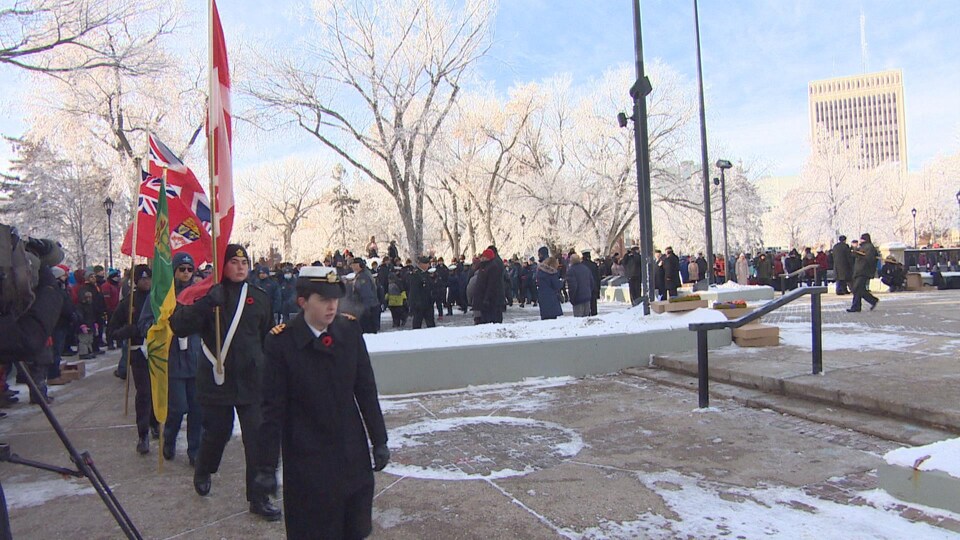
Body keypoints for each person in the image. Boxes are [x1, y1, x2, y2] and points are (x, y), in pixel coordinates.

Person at [257, 266, 389, 540]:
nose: (332, 306)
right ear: (303, 301)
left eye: (335, 298)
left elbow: (365, 390)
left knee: (354, 529)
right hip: (308, 461)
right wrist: (267, 466)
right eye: (323, 299)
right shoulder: (281, 343)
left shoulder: (349, 331)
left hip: (351, 455)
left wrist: (379, 440)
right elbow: (272, 410)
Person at [169, 244, 280, 521]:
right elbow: (179, 325)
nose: (241, 266)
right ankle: (204, 467)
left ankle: (258, 498)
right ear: (222, 265)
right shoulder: (207, 295)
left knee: (256, 439)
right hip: (216, 381)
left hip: (252, 382)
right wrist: (207, 303)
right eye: (234, 261)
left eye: (245, 261)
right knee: (218, 433)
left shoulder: (260, 297)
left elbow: (267, 336)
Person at [138, 253, 203, 466]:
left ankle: (195, 450)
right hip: (171, 358)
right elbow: (145, 322)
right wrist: (157, 329)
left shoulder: (199, 294)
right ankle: (169, 437)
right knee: (177, 407)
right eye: (181, 269)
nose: (185, 273)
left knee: (196, 408)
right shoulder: (161, 295)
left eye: (189, 269)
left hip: (195, 357)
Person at [107, 265, 157, 453]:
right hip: (138, 352)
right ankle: (142, 434)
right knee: (144, 393)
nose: (146, 281)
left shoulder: (158, 300)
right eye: (142, 278)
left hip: (158, 352)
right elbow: (111, 332)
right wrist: (127, 331)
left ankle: (156, 423)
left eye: (149, 278)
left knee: (159, 391)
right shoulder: (128, 303)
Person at [847, 233, 879, 313]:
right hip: (860, 271)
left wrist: (861, 255)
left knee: (857, 288)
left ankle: (856, 307)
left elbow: (870, 259)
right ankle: (872, 300)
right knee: (860, 289)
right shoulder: (862, 247)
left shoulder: (869, 247)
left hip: (864, 271)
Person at [473, 248, 505, 324]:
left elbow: (491, 285)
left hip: (489, 298)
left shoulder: (492, 267)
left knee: (490, 318)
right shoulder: (483, 266)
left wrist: (487, 298)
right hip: (483, 297)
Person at [350, 258, 380, 334]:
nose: (352, 267)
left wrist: (365, 309)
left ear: (358, 265)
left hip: (366, 309)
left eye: (353, 265)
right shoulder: (363, 274)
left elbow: (366, 294)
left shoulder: (363, 276)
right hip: (367, 308)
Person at [405, 256, 435, 329]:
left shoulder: (427, 273)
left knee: (431, 324)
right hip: (419, 304)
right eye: (427, 263)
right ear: (422, 264)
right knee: (417, 324)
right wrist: (413, 304)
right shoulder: (415, 275)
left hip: (428, 303)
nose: (428, 265)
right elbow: (413, 291)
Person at [566, 253, 593, 317]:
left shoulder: (571, 271)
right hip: (587, 297)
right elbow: (591, 282)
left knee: (578, 320)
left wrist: (572, 298)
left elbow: (573, 286)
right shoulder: (586, 268)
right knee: (586, 319)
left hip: (577, 298)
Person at [581, 251, 601, 316]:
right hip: (594, 287)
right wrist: (598, 288)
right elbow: (598, 278)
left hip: (584, 288)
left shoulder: (581, 265)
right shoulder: (594, 265)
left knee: (585, 306)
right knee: (593, 305)